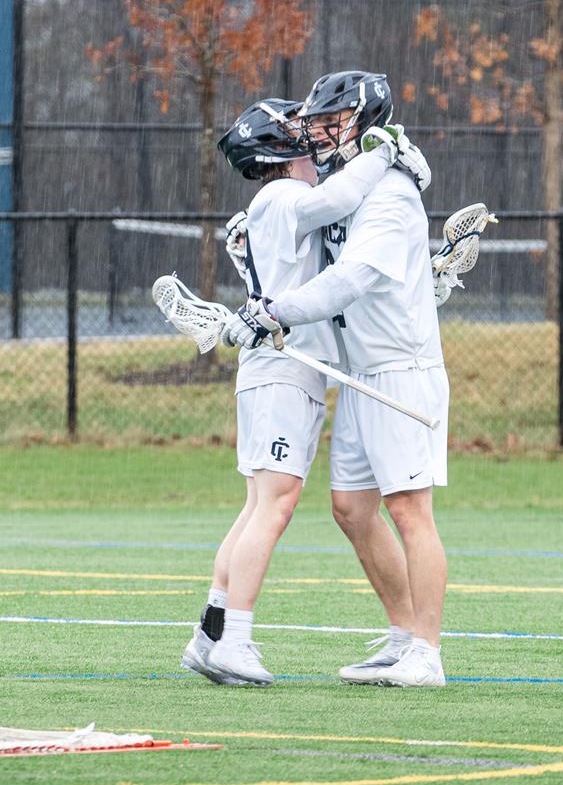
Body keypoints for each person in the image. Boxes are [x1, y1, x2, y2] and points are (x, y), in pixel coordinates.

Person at [227, 70, 449, 689]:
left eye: (330, 122)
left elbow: (349, 281)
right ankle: (402, 635)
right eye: (317, 123)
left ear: (363, 120)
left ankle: (427, 652)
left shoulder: (392, 192)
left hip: (401, 370)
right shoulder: (349, 183)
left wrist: (273, 312)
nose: (320, 134)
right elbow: (304, 235)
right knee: (351, 509)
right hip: (357, 372)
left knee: (410, 511)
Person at [183, 97, 402, 685]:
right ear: (278, 147)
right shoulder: (283, 195)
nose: (314, 139)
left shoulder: (277, 202)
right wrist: (387, 152)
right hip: (282, 371)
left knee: (259, 506)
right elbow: (338, 198)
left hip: (280, 369)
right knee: (275, 505)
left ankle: (210, 635)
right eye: (300, 132)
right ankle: (236, 640)